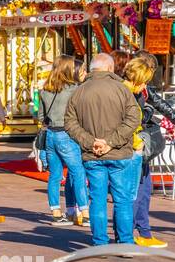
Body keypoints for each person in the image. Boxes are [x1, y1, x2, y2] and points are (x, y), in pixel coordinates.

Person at [64, 52, 142, 247]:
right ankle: (125, 242)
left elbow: (70, 123)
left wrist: (91, 142)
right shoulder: (122, 90)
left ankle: (100, 242)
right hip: (120, 153)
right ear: (109, 68)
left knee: (97, 199)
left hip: (93, 155)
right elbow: (134, 119)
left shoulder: (79, 92)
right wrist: (110, 142)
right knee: (122, 200)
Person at [124, 54, 175, 249]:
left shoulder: (142, 90)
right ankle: (127, 235)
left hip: (140, 147)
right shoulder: (123, 92)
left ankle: (142, 232)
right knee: (135, 193)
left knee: (144, 190)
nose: (146, 85)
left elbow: (161, 104)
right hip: (132, 147)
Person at [38, 55, 89, 227]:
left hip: (51, 135)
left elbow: (40, 117)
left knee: (55, 175)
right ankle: (85, 212)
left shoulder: (45, 90)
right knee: (78, 172)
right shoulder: (75, 89)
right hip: (67, 135)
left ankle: (56, 212)